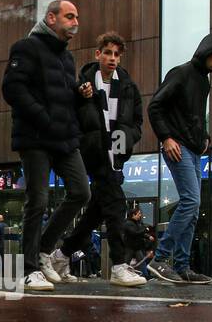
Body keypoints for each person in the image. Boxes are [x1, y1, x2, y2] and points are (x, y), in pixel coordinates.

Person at [1, 0, 94, 293]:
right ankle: (29, 270)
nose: (75, 22)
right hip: (35, 137)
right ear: (51, 18)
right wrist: (42, 118)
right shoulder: (26, 47)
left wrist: (80, 93)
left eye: (77, 16)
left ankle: (43, 249)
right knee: (37, 200)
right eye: (69, 16)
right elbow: (12, 88)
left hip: (64, 138)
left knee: (81, 191)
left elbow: (63, 95)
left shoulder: (67, 58)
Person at [52, 32, 147, 288]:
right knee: (116, 204)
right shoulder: (84, 84)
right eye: (108, 53)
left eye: (117, 54)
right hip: (92, 154)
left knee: (96, 211)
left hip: (115, 155)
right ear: (98, 54)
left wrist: (125, 141)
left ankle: (61, 255)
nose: (112, 58)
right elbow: (72, 118)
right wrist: (82, 99)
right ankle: (118, 265)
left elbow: (137, 122)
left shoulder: (128, 87)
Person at [147, 33, 212, 284]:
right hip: (177, 146)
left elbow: (195, 114)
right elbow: (155, 106)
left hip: (193, 149)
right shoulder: (180, 73)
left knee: (193, 210)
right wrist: (166, 138)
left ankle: (182, 266)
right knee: (191, 201)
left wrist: (204, 135)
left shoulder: (204, 82)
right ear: (206, 51)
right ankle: (160, 259)